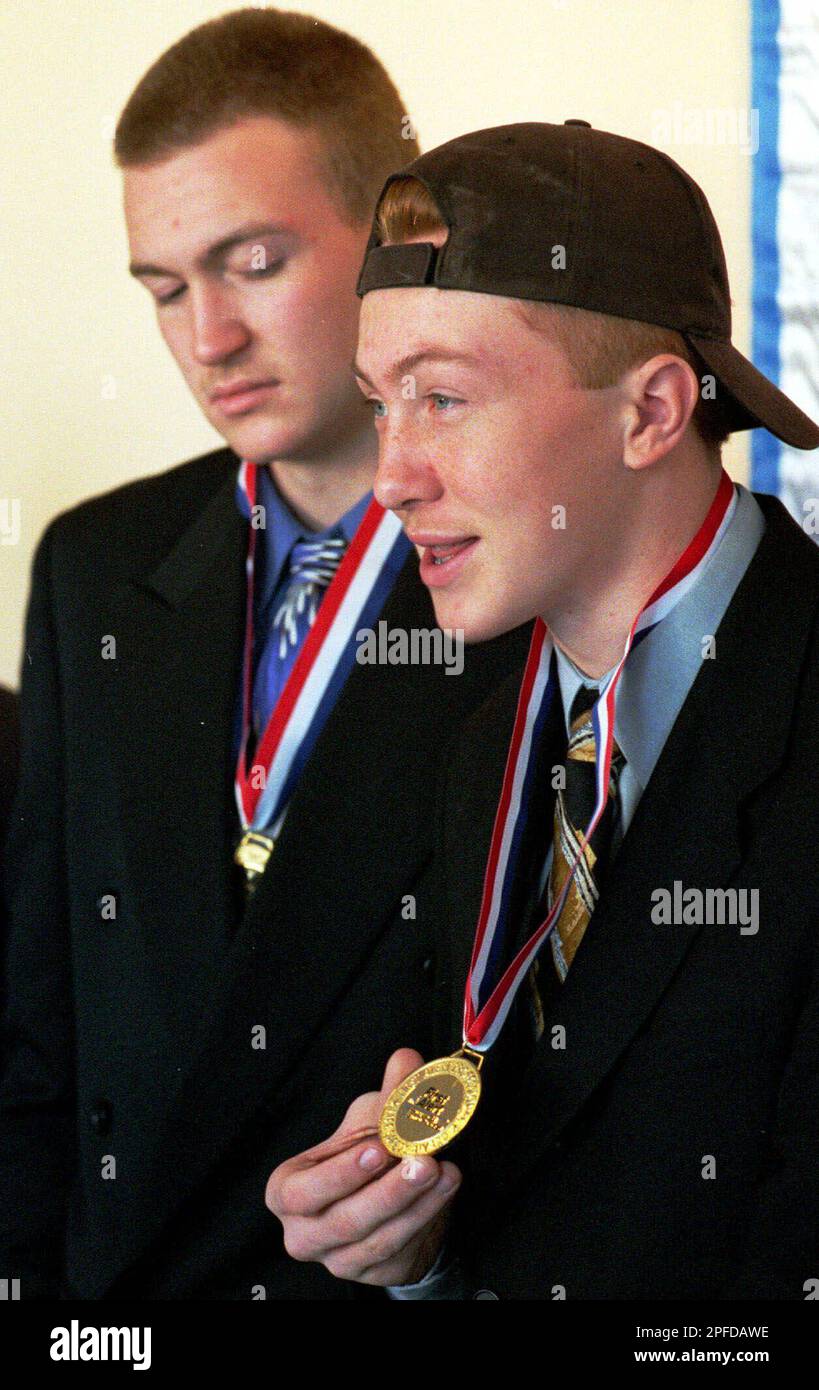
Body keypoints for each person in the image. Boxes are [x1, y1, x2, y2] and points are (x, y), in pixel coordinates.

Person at [0, 15, 526, 1301]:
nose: (208, 337)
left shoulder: (531, 572)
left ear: (398, 245)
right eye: (166, 287)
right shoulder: (94, 563)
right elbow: (42, 1041)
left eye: (251, 261)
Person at [267, 121, 819, 1299]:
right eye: (380, 404)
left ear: (653, 411)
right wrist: (409, 1248)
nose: (391, 474)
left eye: (445, 399)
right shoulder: (452, 722)